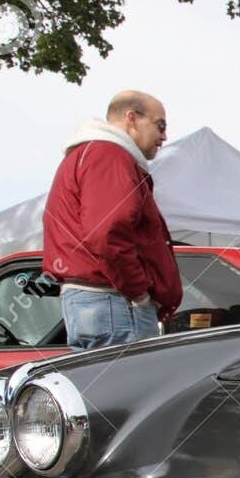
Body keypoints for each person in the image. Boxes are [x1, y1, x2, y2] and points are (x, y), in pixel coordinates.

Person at [42, 90, 182, 350]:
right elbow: (106, 232)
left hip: (96, 302)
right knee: (135, 387)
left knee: (104, 389)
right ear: (132, 118)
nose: (164, 136)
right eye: (159, 125)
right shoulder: (110, 155)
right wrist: (137, 291)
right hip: (114, 303)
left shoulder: (87, 155)